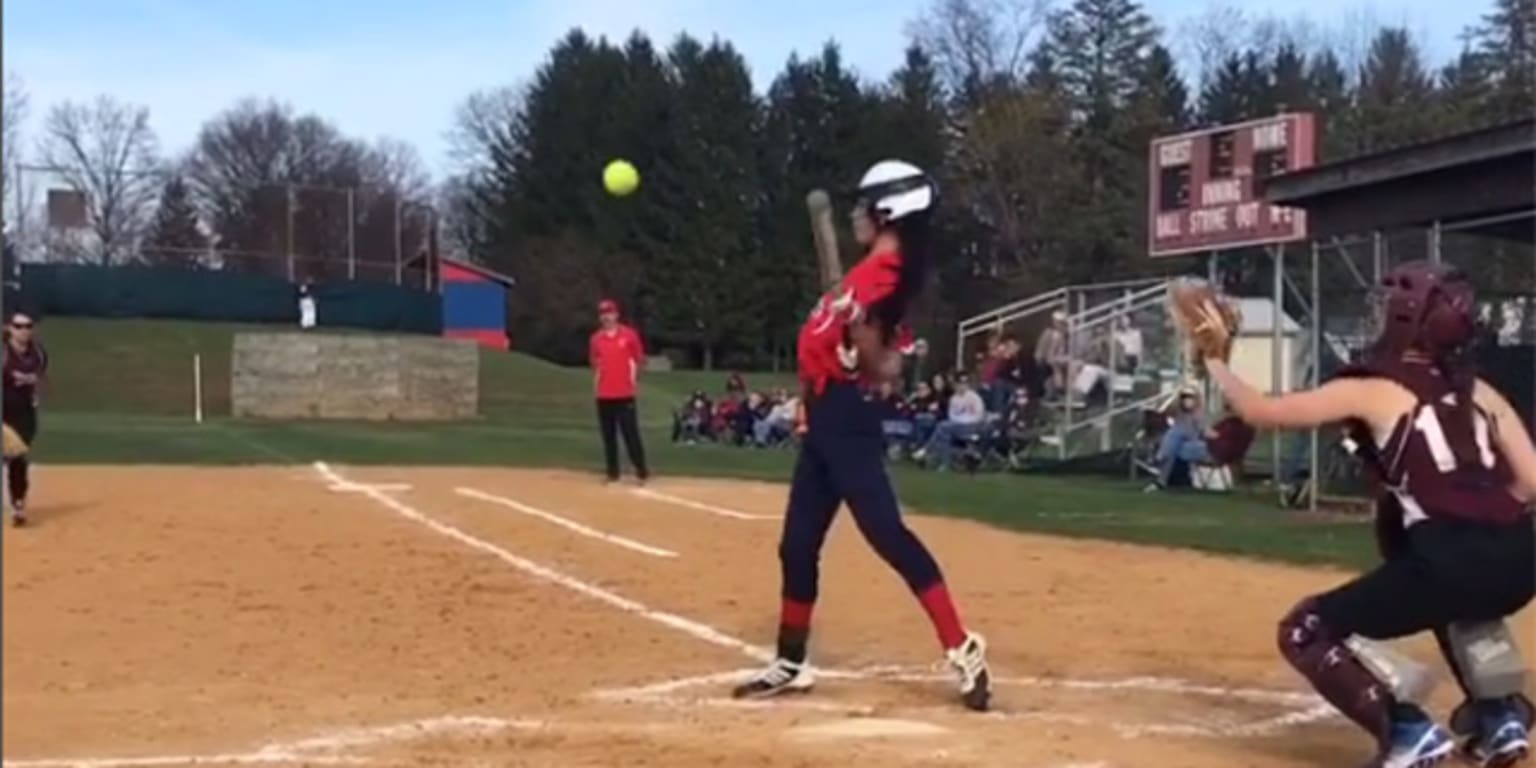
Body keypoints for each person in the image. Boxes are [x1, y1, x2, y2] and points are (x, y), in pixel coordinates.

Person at [1201, 262, 1535, 768]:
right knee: (1460, 597)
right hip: (1521, 561)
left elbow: (1262, 411)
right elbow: (1531, 482)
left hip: (1445, 562)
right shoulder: (1482, 392)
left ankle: (1407, 731)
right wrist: (1489, 516)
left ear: (1408, 319)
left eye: (1391, 304)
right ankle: (1500, 718)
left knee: (1306, 629)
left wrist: (1214, 361)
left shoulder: (1373, 388)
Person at [732, 159, 991, 711]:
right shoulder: (861, 276)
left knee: (885, 533)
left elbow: (886, 368)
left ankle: (962, 645)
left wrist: (864, 346)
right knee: (797, 545)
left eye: (864, 205)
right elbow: (858, 356)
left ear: (889, 211)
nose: (855, 215)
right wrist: (846, 353)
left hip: (849, 418)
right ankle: (791, 660)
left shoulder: (888, 277)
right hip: (824, 417)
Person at [588, 299, 650, 484]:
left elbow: (639, 359)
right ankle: (612, 472)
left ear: (616, 315)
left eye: (609, 313)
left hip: (624, 393)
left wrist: (633, 380)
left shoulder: (629, 336)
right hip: (604, 393)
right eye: (603, 314)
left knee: (630, 433)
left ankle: (641, 470)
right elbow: (594, 363)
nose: (606, 317)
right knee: (608, 436)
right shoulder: (596, 339)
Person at [3, 311, 47, 526]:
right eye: (18, 326)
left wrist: (35, 396)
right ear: (9, 328)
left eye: (28, 326)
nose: (24, 330)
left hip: (25, 415)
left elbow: (38, 380)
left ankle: (18, 504)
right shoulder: (3, 354)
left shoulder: (38, 354)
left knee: (18, 457)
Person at [913, 373, 988, 470]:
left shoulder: (974, 398)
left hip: (972, 426)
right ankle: (945, 463)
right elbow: (952, 415)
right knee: (944, 434)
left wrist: (963, 421)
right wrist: (959, 421)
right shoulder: (954, 399)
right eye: (960, 383)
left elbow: (979, 415)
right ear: (956, 385)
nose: (962, 385)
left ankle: (925, 450)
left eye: (965, 383)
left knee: (942, 427)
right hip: (956, 425)